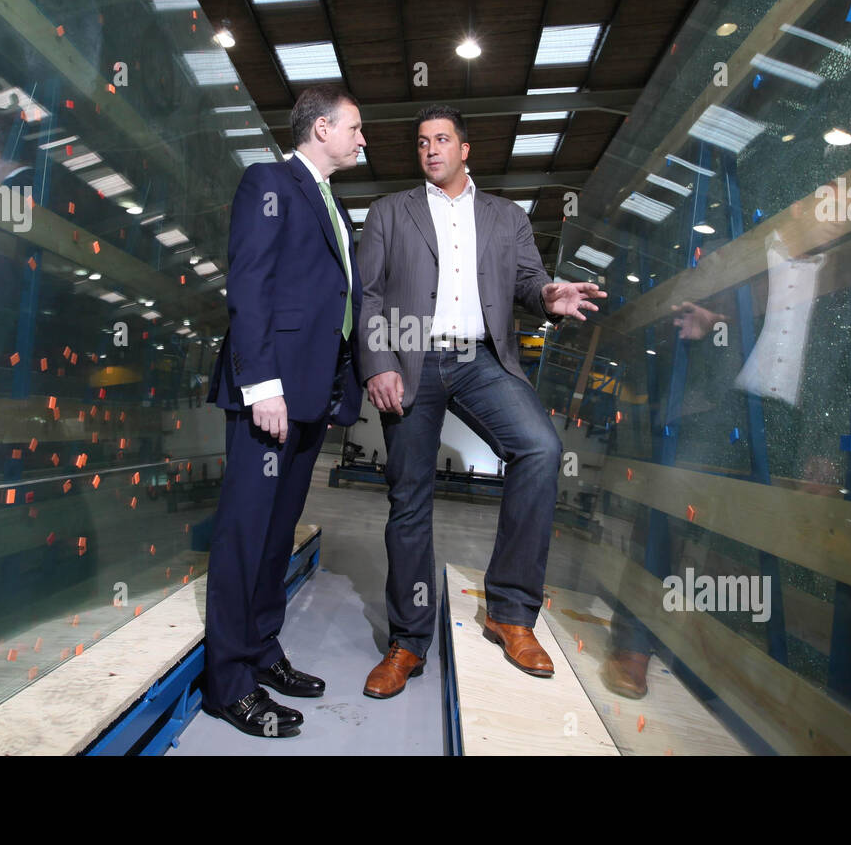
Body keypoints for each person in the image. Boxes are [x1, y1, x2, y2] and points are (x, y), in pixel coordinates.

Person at [356, 104, 604, 698]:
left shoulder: (505, 215)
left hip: (480, 359)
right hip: (412, 360)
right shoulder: (390, 213)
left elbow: (526, 282)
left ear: (466, 150)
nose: (430, 149)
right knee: (409, 497)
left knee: (540, 449)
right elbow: (365, 295)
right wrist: (379, 364)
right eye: (421, 142)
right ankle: (408, 641)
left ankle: (511, 613)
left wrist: (549, 293)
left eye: (442, 139)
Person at [203, 84, 365, 737]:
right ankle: (229, 684)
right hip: (269, 395)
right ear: (321, 128)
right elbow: (248, 282)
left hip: (310, 396)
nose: (362, 138)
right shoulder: (267, 182)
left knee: (276, 537)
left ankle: (263, 652)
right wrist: (262, 384)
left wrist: (331, 392)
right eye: (355, 127)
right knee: (245, 539)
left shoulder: (336, 208)